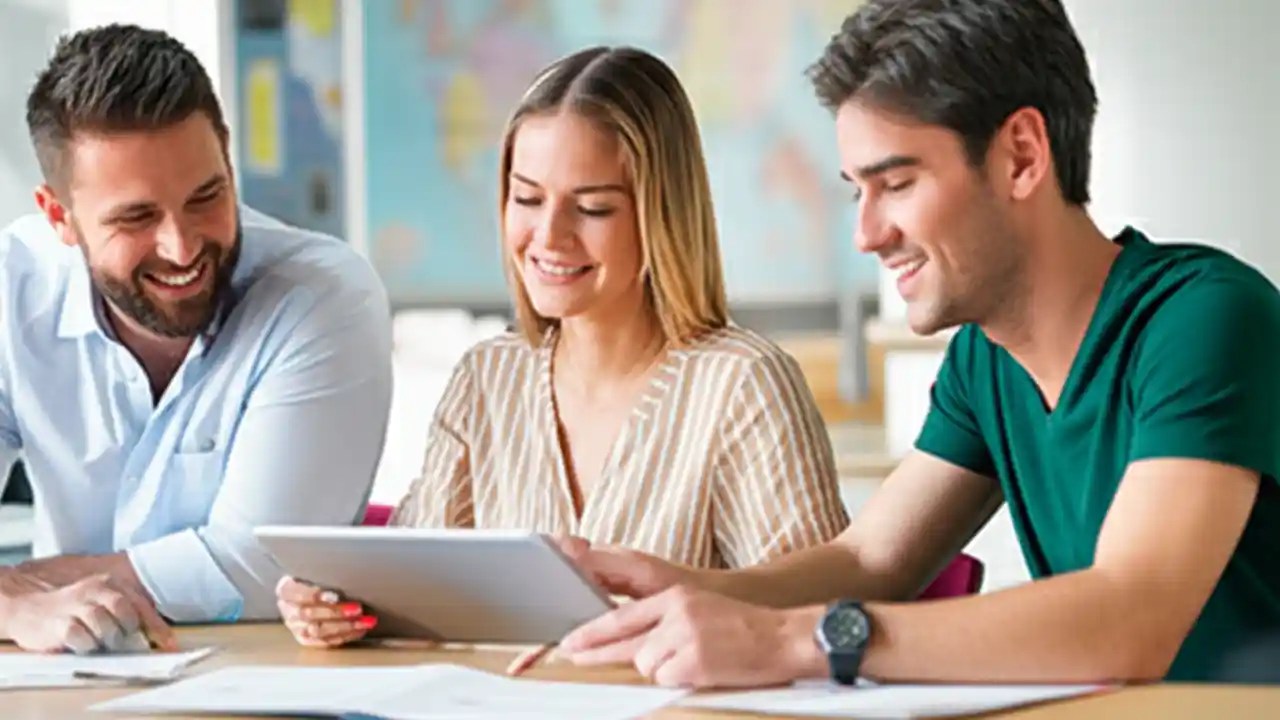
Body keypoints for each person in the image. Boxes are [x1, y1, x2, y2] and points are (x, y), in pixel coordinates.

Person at [553, 0, 1280, 688]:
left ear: (1022, 156)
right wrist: (683, 588)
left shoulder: (1204, 318)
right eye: (855, 192)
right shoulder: (985, 359)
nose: (867, 234)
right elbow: (869, 559)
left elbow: (1133, 615)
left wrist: (789, 641)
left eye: (896, 183)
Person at [276, 46, 850, 648]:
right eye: (527, 199)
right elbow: (408, 589)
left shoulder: (742, 383)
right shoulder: (488, 375)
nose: (548, 237)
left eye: (593, 207)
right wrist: (333, 604)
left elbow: (820, 618)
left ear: (661, 215)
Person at [0, 25, 393, 654]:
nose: (182, 247)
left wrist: (19, 590)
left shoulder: (322, 296)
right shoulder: (12, 286)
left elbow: (265, 565)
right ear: (59, 218)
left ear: (229, 161)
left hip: (263, 681)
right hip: (63, 684)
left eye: (207, 195)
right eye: (136, 217)